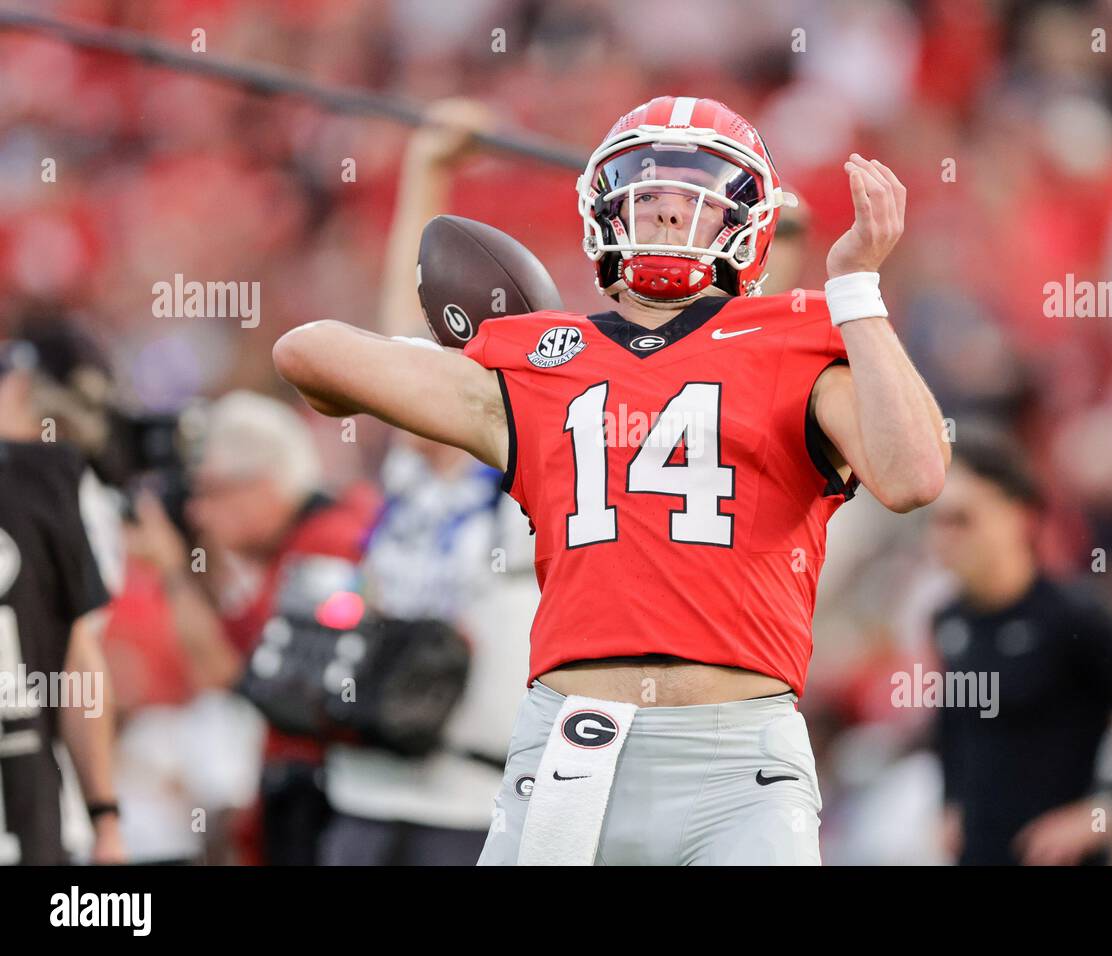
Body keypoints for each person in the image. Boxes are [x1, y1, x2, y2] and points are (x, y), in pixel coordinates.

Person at [274, 96, 949, 865]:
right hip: (571, 744)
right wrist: (452, 356)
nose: (666, 212)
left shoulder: (799, 335)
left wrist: (857, 286)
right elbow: (310, 355)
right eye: (649, 191)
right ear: (605, 208)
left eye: (694, 196)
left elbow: (914, 475)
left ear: (746, 223)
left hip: (736, 758)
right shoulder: (538, 360)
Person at [319, 100, 536, 865]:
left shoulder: (527, 478)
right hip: (366, 787)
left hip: (468, 803)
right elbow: (390, 340)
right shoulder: (411, 473)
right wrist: (428, 169)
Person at [127, 390, 378, 864]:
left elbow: (228, 675)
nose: (197, 512)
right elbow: (235, 644)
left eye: (211, 491)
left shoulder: (327, 546)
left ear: (263, 484)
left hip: (322, 800)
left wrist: (174, 571)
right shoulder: (303, 545)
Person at [927, 425, 1112, 865]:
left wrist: (1103, 812)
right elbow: (953, 722)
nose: (945, 537)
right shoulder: (948, 619)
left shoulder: (1074, 618)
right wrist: (950, 800)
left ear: (1020, 515)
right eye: (937, 521)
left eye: (963, 518)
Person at [0, 338, 123, 865]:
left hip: (33, 814)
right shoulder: (51, 478)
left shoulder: (49, 479)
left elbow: (78, 658)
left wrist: (105, 815)